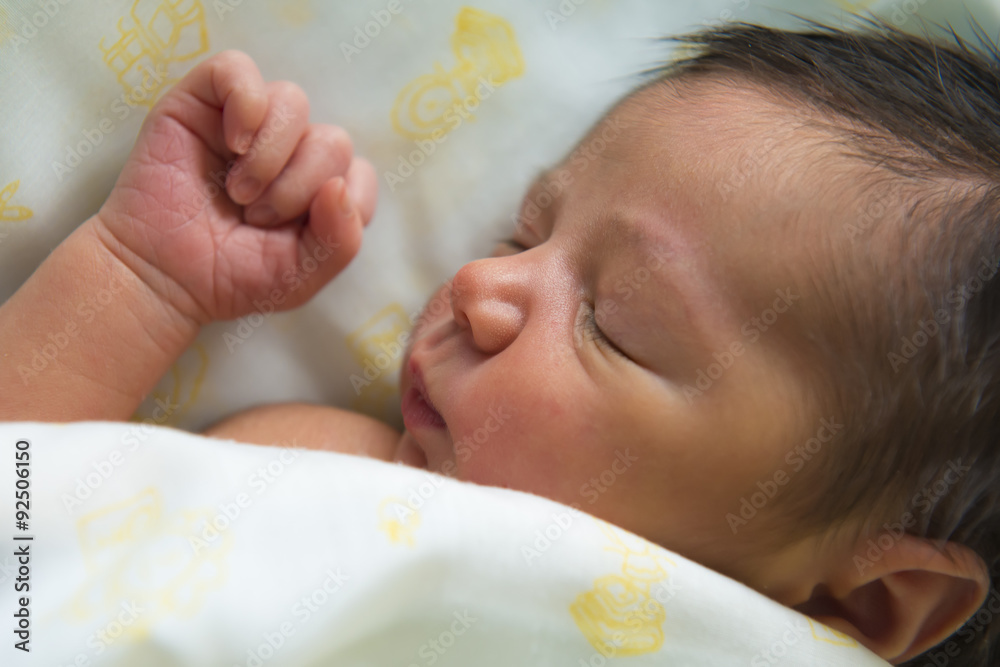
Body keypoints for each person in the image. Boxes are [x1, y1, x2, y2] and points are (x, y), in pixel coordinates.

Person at [2, 19, 998, 666]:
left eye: (615, 324)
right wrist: (138, 282)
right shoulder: (325, 470)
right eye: (524, 234)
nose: (480, 290)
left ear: (872, 608)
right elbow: (22, 533)